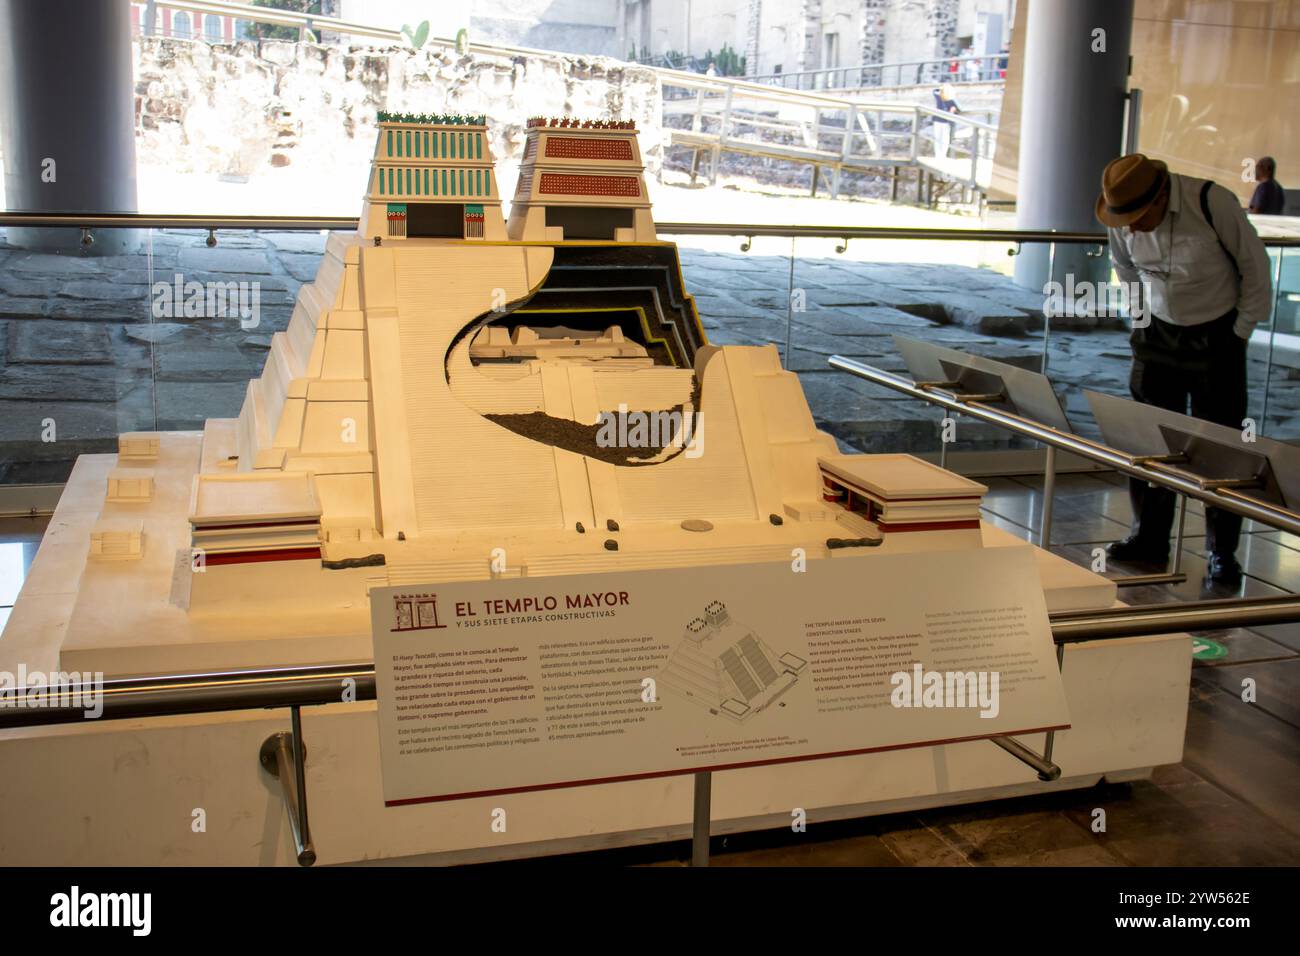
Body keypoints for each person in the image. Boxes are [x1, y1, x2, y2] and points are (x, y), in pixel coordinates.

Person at [1097, 154, 1274, 587]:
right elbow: (1124, 269)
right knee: (1150, 441)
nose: (1131, 227)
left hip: (1217, 336)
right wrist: (1140, 319)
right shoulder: (1120, 212)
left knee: (1222, 448)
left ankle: (1222, 553)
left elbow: (1255, 270)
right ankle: (1150, 538)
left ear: (1161, 197)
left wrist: (1239, 333)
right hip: (1156, 334)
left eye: (1139, 218)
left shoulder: (1213, 203)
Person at [931, 83, 961, 158]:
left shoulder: (940, 97)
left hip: (940, 120)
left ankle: (939, 154)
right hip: (944, 120)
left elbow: (934, 91)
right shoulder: (950, 99)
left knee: (939, 137)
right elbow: (960, 108)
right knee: (944, 138)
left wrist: (941, 88)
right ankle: (941, 154)